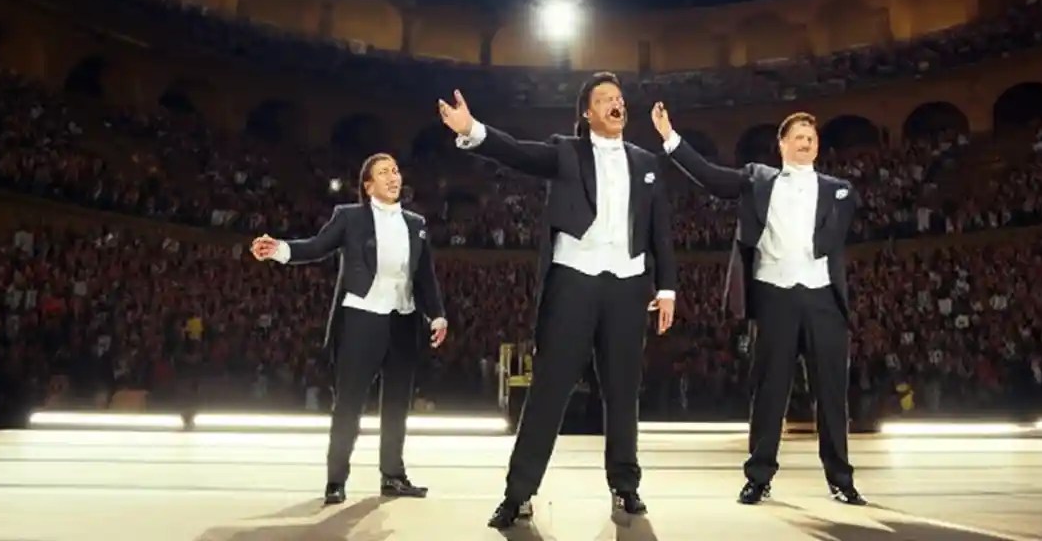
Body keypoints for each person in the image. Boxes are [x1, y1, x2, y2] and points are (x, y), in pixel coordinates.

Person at [437, 72, 677, 530]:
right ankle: (518, 493)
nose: (616, 103)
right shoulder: (567, 151)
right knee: (549, 390)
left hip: (628, 286)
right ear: (587, 113)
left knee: (623, 391)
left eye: (620, 98)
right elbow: (519, 153)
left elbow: (659, 229)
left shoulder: (646, 162)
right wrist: (473, 130)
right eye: (605, 98)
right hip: (574, 282)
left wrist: (666, 287)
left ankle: (625, 486)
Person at [651, 102, 866, 506]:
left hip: (822, 298)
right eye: (798, 137)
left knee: (832, 393)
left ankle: (841, 479)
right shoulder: (757, 178)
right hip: (774, 296)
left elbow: (832, 235)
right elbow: (712, 179)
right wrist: (670, 139)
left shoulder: (840, 189)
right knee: (769, 390)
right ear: (781, 144)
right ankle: (759, 476)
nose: (805, 143)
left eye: (811, 138)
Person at [251, 153, 448, 505]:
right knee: (350, 403)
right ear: (368, 185)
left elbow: (424, 277)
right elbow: (316, 247)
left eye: (396, 171)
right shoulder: (350, 217)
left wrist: (437, 315)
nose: (393, 177)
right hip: (362, 317)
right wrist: (279, 249)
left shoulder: (416, 223)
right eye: (383, 172)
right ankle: (336, 480)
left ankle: (393, 475)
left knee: (397, 403)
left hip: (403, 319)